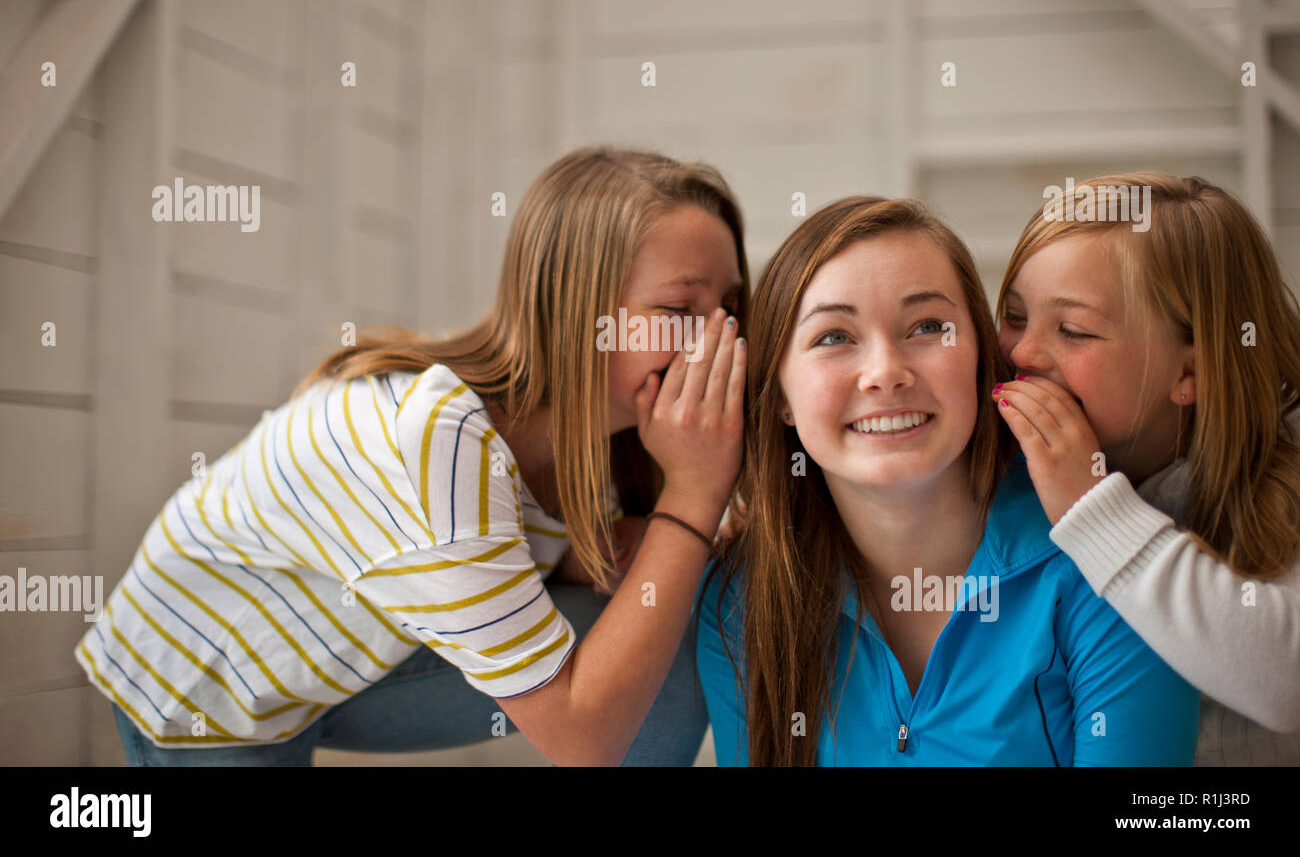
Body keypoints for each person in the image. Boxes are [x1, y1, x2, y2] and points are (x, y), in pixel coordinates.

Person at [78, 145, 749, 766]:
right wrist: (690, 498)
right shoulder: (438, 437)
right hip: (210, 682)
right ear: (573, 312)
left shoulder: (603, 430)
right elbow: (582, 737)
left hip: (356, 650)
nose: (721, 340)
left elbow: (516, 553)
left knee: (670, 611)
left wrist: (647, 541)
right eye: (680, 308)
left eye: (730, 307)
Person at [694, 196, 1199, 766]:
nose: (885, 372)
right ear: (780, 393)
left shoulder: (1108, 567)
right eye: (834, 336)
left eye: (928, 326)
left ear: (984, 360)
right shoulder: (736, 600)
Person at [992, 172, 1300, 765]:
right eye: (1013, 316)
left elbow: (1285, 682)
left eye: (1074, 330)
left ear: (1191, 373)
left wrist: (1091, 509)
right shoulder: (1007, 470)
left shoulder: (1281, 481)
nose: (1024, 353)